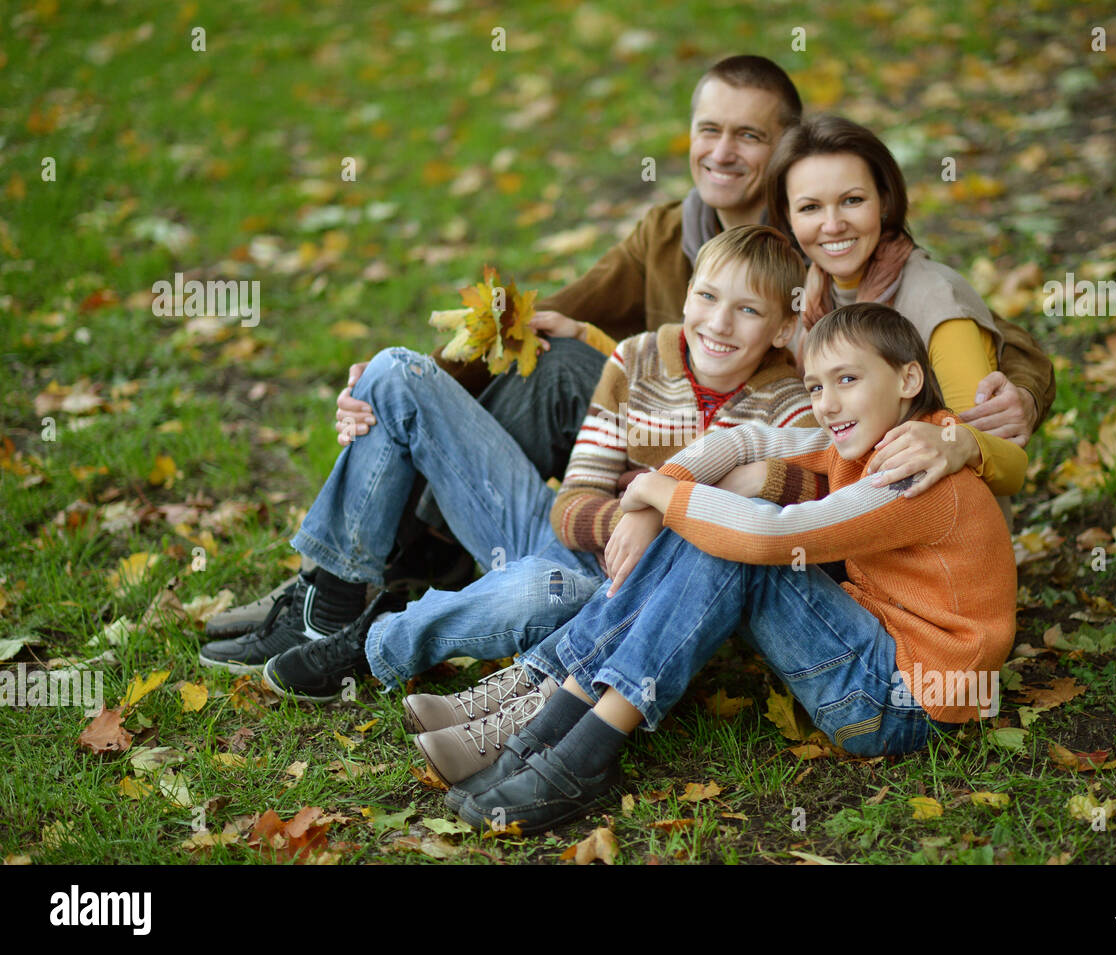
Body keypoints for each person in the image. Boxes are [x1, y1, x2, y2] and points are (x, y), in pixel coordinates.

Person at [207, 55, 1055, 636]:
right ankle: (366, 568)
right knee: (544, 363)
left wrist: (1001, 403)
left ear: (786, 154)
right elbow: (541, 314)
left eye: (751, 137)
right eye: (709, 129)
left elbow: (970, 331)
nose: (723, 152)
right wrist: (411, 383)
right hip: (658, 444)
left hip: (753, 472)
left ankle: (390, 572)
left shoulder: (822, 242)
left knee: (567, 368)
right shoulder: (668, 229)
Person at [196, 227, 816, 733]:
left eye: (748, 310)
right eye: (707, 298)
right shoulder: (639, 359)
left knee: (541, 593)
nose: (720, 323)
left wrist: (661, 504)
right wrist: (631, 512)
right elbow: (572, 504)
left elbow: (801, 499)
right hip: (560, 540)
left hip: (619, 597)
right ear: (686, 298)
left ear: (783, 329)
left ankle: (377, 640)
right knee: (395, 371)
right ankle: (332, 596)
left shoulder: (789, 404)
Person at [453, 303, 1019, 833]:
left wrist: (658, 494)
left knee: (737, 538)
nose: (827, 403)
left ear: (908, 380)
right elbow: (747, 439)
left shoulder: (911, 472)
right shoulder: (857, 437)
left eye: (848, 379)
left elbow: (775, 535)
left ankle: (581, 751)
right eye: (816, 387)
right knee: (712, 525)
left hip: (903, 702)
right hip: (876, 647)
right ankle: (554, 729)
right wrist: (668, 488)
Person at [769, 113, 1034, 518]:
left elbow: (1011, 469)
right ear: (788, 218)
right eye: (809, 208)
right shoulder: (808, 301)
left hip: (943, 543)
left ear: (886, 201)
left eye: (852, 200)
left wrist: (962, 442)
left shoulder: (935, 302)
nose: (833, 224)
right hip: (853, 513)